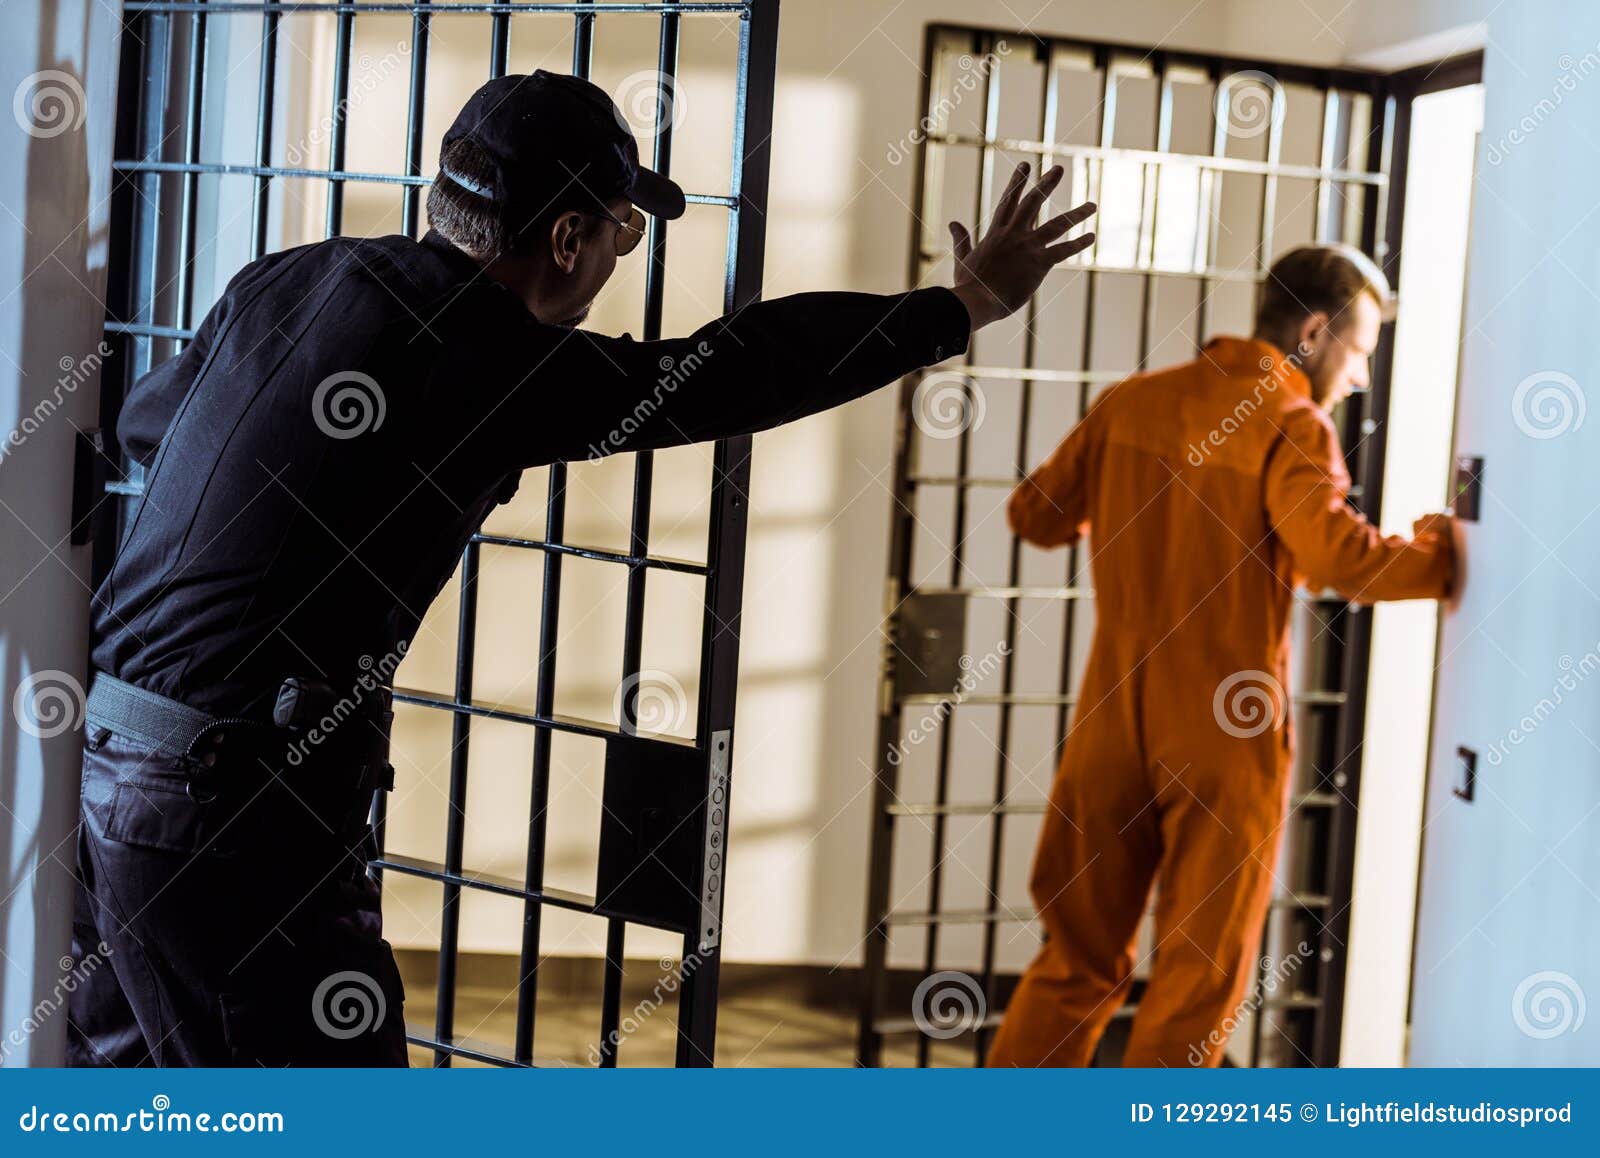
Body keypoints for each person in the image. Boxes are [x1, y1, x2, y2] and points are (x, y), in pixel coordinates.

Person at [67, 69, 1095, 1066]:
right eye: (622, 232)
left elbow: (152, 419)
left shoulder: (296, 275)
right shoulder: (478, 354)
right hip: (230, 826)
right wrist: (955, 308)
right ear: (566, 240)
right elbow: (727, 372)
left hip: (113, 772)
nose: (617, 261)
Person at [986, 243, 1458, 1068]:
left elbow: (1036, 516)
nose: (1362, 378)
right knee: (1197, 983)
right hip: (1224, 735)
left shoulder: (1131, 402)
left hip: (1108, 730)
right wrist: (1442, 543)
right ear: (1315, 332)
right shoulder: (1291, 424)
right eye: (1361, 352)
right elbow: (1342, 561)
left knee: (1075, 963)